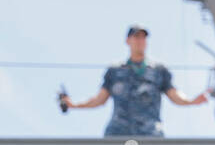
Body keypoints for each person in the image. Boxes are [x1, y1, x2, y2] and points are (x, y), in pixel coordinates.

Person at [59, 25, 207, 136]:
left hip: (150, 132)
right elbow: (99, 99)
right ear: (128, 41)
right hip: (119, 131)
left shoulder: (159, 70)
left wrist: (192, 101)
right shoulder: (114, 71)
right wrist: (74, 105)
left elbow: (174, 95)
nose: (140, 41)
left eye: (143, 38)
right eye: (136, 37)